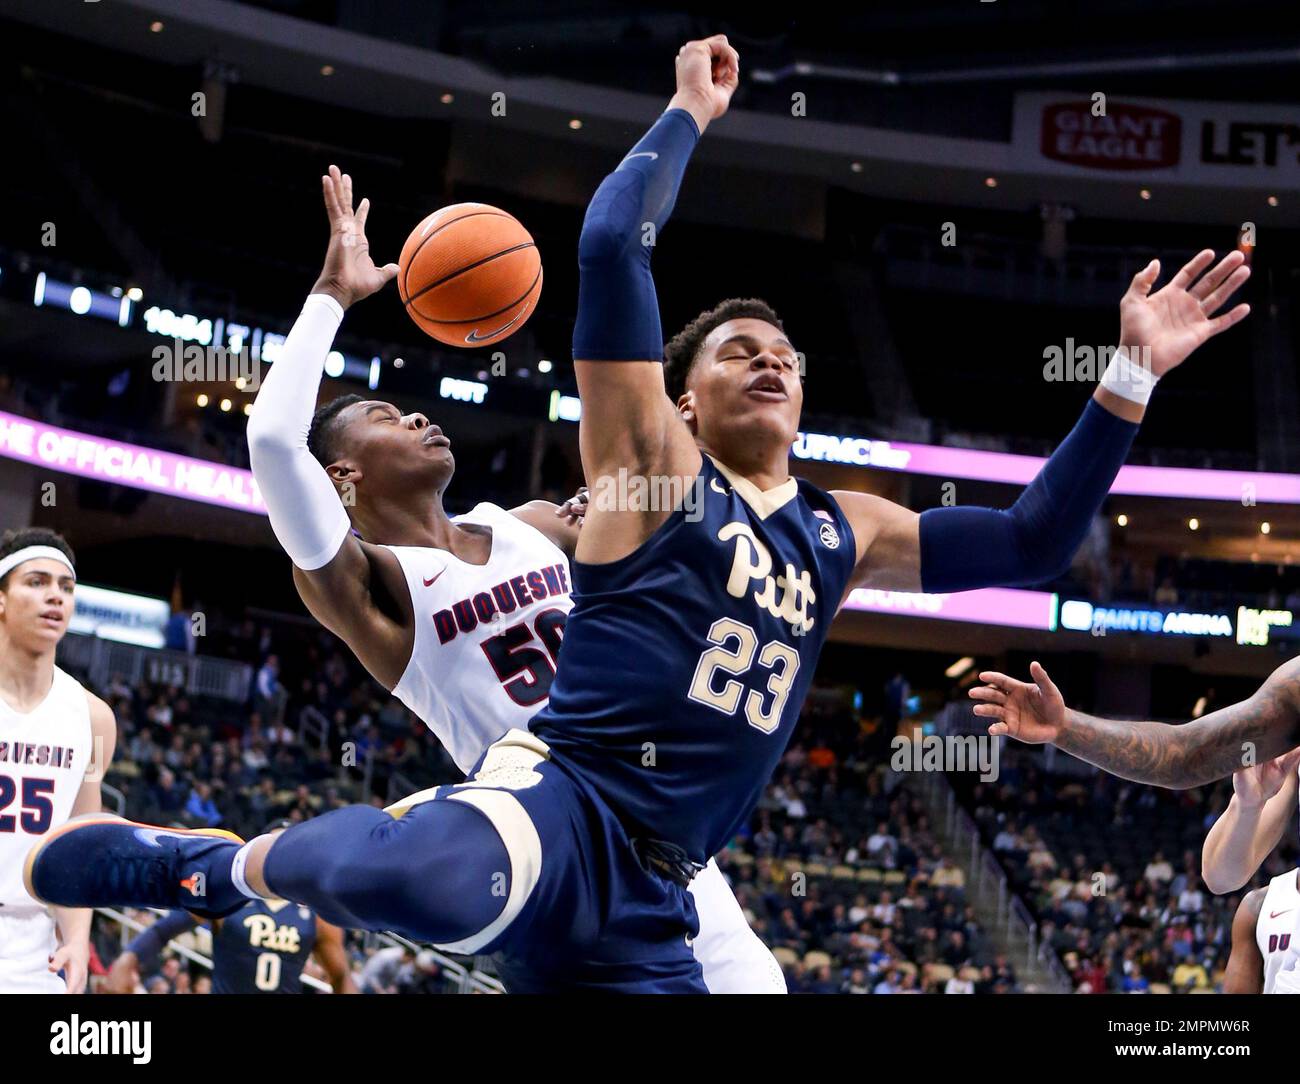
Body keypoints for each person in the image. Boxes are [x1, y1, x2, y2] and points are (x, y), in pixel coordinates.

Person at [27, 33, 1250, 993]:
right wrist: (690, 116)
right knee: (423, 876)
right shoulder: (646, 469)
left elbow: (1034, 542)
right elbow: (613, 245)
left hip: (673, 880)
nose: (770, 360)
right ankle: (219, 867)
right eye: (736, 350)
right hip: (560, 795)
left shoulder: (843, 528)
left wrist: (1125, 383)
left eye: (786, 351)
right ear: (679, 397)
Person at [239, 164, 783, 991]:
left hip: (657, 815)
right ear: (343, 475)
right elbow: (274, 442)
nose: (420, 415)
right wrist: (332, 294)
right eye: (388, 416)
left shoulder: (525, 524)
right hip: (545, 835)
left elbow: (647, 498)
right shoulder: (367, 585)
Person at [0, 527, 118, 992]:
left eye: (65, 588)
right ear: (2, 599)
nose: (55, 597)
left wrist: (77, 939)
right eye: (37, 582)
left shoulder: (94, 719)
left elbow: (79, 843)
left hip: (36, 952)